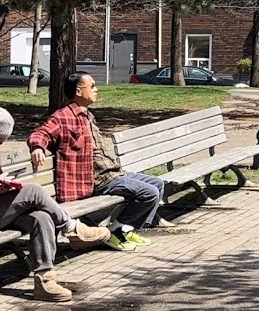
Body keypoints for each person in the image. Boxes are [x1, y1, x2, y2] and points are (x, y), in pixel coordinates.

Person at [0, 107, 109, 302]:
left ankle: (44, 280)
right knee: (33, 190)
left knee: (40, 218)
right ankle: (72, 228)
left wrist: (1, 186)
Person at [29, 73, 175, 252]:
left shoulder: (88, 115)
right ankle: (114, 232)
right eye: (92, 86)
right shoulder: (63, 117)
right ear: (78, 91)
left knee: (158, 183)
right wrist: (38, 147)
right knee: (149, 193)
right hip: (97, 180)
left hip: (113, 173)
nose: (96, 89)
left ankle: (125, 230)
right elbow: (41, 133)